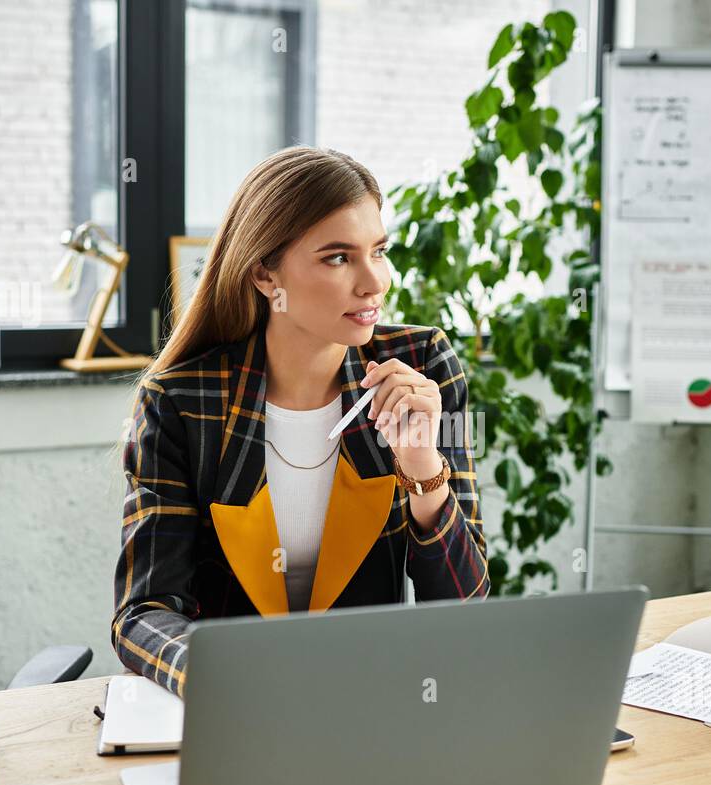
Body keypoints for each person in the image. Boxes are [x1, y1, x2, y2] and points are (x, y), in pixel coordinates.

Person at [110, 146, 489, 697]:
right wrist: (223, 678)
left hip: (374, 700)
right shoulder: (180, 403)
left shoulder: (426, 365)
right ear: (266, 275)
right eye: (338, 257)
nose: (374, 282)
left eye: (378, 251)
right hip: (235, 708)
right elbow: (142, 613)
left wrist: (422, 466)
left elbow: (463, 607)